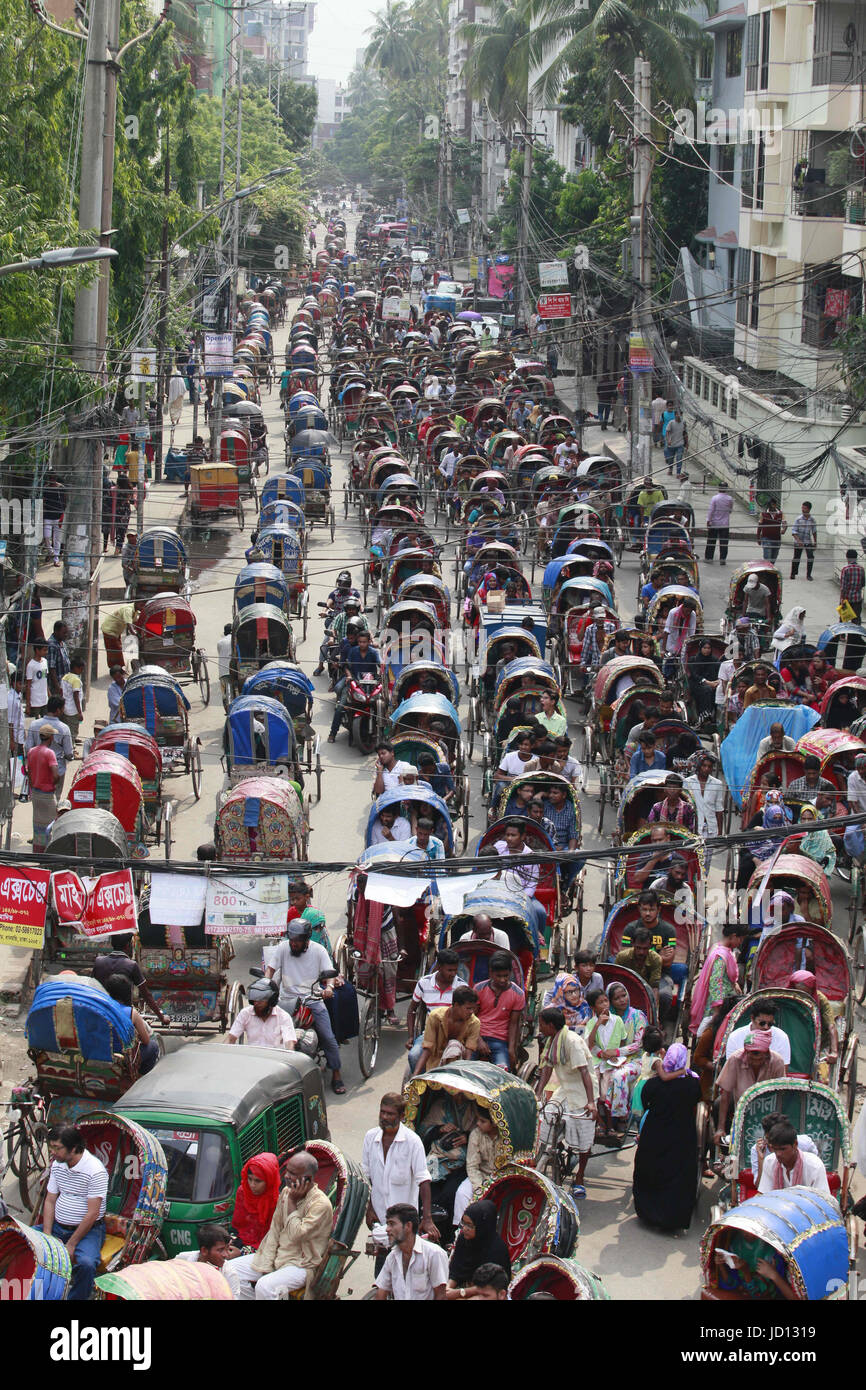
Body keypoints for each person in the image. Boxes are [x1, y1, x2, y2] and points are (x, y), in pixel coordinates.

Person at [232, 1151, 334, 1299]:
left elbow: (296, 1234)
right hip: (278, 1257)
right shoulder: (287, 1192)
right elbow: (275, 1229)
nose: (286, 1176)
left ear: (308, 1179)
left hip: (302, 1264)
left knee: (264, 1285)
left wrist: (292, 1202)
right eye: (287, 1171)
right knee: (231, 1270)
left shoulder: (320, 1204)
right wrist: (266, 1262)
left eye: (292, 1173)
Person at [265, 919, 346, 1094]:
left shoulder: (319, 951)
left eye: (297, 940)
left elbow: (329, 973)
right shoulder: (283, 948)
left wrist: (329, 988)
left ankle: (337, 1073)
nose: (293, 943)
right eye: (292, 939)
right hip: (286, 999)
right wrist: (266, 984)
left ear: (306, 939)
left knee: (328, 1036)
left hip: (312, 999)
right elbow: (270, 969)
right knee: (271, 1032)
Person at [632, 1044, 702, 1232]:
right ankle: (673, 1218)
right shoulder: (692, 1084)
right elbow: (696, 1101)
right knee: (678, 1174)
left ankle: (648, 1213)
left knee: (651, 1169)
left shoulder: (654, 1084)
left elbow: (646, 1102)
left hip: (655, 1134)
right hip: (682, 1136)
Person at [362, 1094, 438, 1267]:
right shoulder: (370, 1138)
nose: (385, 1117)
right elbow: (366, 1176)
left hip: (404, 1222)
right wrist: (369, 1208)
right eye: (382, 1113)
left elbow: (423, 1180)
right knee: (382, 1273)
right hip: (380, 1219)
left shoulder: (413, 1142)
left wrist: (426, 1218)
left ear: (402, 1116)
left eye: (390, 1114)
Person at [39, 1125, 108, 1300]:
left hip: (87, 1232)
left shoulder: (95, 1170)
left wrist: (71, 1244)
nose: (53, 1152)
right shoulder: (57, 1165)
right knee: (22, 1241)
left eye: (57, 1148)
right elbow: (50, 1200)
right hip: (57, 1227)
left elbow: (92, 1214)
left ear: (74, 1148)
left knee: (86, 1264)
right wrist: (47, 1234)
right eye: (51, 1147)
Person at [536, 1006, 598, 1196]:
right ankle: (551, 1153)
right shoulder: (551, 1041)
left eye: (541, 1025)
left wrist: (591, 1102)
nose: (539, 1028)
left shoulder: (572, 1041)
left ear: (551, 1025)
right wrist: (537, 1094)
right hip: (565, 1090)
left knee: (583, 1136)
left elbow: (585, 1072)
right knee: (546, 1118)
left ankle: (580, 1176)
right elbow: (546, 1068)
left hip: (582, 1091)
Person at [714, 1031, 787, 1143]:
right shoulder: (735, 1059)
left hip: (769, 1115)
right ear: (746, 1052)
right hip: (742, 1114)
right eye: (751, 1057)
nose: (755, 1062)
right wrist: (720, 1128)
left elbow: (781, 1095)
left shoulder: (777, 1062)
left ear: (766, 1054)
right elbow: (726, 1094)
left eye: (759, 1059)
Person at [374, 1203, 449, 1301]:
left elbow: (441, 1296)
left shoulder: (434, 1254)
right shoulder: (392, 1257)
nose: (387, 1229)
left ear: (408, 1226)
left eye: (392, 1224)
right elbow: (381, 1293)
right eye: (387, 1224)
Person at [405, 950, 461, 1071]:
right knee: (414, 1056)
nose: (453, 974)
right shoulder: (424, 983)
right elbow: (412, 1010)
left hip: (452, 1036)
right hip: (429, 1034)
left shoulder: (461, 987)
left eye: (455, 970)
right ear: (439, 967)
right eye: (449, 970)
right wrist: (411, 1036)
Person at [445, 1200, 512, 1298]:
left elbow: (489, 1287)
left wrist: (459, 1293)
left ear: (482, 1225)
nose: (465, 1229)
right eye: (464, 1223)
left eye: (470, 1225)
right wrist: (448, 1288)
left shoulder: (497, 1250)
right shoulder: (463, 1239)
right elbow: (456, 1270)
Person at [92, 937, 166, 1024]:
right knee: (148, 1034)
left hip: (100, 1010)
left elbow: (90, 986)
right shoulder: (131, 965)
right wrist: (162, 1018)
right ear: (128, 945)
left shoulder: (98, 961)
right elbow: (146, 995)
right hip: (123, 1014)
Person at [689, 922, 746, 1033]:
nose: (740, 943)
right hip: (720, 1004)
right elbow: (716, 982)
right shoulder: (721, 956)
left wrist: (735, 984)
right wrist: (717, 1009)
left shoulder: (719, 948)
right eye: (741, 939)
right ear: (734, 936)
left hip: (725, 999)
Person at [411, 986, 480, 1074]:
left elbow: (469, 1052)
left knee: (454, 1046)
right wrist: (415, 1075)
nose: (471, 1012)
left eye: (473, 1008)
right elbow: (428, 1048)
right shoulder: (435, 1016)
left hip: (457, 1063)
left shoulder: (475, 1023)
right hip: (434, 1059)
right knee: (414, 1056)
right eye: (468, 1008)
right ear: (456, 1005)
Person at [474, 951, 525, 1070]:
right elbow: (471, 1018)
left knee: (503, 1071)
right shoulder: (479, 989)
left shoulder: (518, 994)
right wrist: (479, 1040)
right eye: (499, 976)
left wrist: (512, 1049)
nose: (503, 980)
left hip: (499, 1041)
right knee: (464, 1069)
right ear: (491, 973)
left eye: (506, 976)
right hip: (476, 1037)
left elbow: (514, 1024)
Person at [102, 974, 160, 1075]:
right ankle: (141, 1079)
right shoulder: (131, 1012)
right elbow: (146, 1040)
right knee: (153, 1046)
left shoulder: (99, 1008)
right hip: (122, 1059)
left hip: (101, 1053)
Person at [756, 1121, 831, 1196]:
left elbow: (822, 1200)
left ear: (795, 1144)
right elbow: (764, 1194)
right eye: (775, 1149)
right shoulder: (770, 1161)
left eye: (783, 1149)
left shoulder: (814, 1165)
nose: (778, 1154)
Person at [230, 1153, 281, 1252]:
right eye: (250, 1179)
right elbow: (237, 1225)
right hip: (242, 1237)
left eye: (258, 1181)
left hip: (266, 1245)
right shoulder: (243, 1191)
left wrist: (243, 1252)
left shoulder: (277, 1200)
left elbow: (273, 1236)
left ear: (269, 1180)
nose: (252, 1185)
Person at [228, 976, 297, 1048]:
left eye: (261, 1000)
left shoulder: (284, 1017)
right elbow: (230, 1039)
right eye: (255, 999)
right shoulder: (245, 1013)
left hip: (274, 1058)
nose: (256, 1003)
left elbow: (289, 1044)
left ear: (271, 1001)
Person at [174, 1223, 241, 1296]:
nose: (226, 1255)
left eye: (227, 1248)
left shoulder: (229, 1274)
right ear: (204, 1251)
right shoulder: (181, 1261)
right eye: (220, 1250)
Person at [25, 699, 74, 795]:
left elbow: (28, 748)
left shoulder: (34, 724)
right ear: (58, 710)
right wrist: (71, 756)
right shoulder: (64, 728)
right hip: (57, 770)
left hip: (37, 771)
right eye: (63, 708)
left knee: (38, 799)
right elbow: (69, 752)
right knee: (55, 800)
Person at [26, 725, 61, 853]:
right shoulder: (49, 753)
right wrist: (53, 782)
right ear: (51, 737)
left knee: (37, 825)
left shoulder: (31, 751)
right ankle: (48, 854)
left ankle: (37, 852)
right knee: (51, 826)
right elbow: (56, 774)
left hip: (35, 793)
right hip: (47, 794)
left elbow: (29, 772)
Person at [725, 1001, 791, 1064]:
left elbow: (782, 1070)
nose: (766, 1027)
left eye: (770, 1024)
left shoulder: (782, 1037)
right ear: (752, 1018)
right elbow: (732, 1067)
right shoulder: (735, 1037)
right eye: (762, 1023)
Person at [42, 470, 66, 565]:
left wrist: (63, 513)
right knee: (46, 536)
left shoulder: (61, 487)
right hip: (48, 515)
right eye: (51, 478)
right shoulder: (46, 488)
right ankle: (51, 552)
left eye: (53, 478)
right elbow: (44, 501)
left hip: (58, 516)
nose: (52, 480)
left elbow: (65, 501)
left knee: (57, 539)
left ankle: (56, 559)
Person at [60, 656, 85, 743]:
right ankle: (71, 750)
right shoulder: (76, 680)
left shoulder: (65, 677)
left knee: (66, 730)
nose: (82, 671)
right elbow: (76, 697)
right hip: (73, 711)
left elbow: (61, 692)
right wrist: (79, 712)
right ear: (75, 668)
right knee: (73, 731)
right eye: (81, 669)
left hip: (65, 708)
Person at [790, 500, 816, 580]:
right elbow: (794, 531)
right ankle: (793, 573)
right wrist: (798, 540)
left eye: (804, 508)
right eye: (802, 508)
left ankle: (808, 575)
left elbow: (814, 531)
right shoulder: (798, 519)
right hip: (799, 541)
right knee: (796, 557)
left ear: (809, 509)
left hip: (808, 541)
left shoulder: (812, 520)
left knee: (811, 557)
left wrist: (815, 541)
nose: (803, 509)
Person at [756, 497, 787, 563]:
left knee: (773, 559)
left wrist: (784, 530)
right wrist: (758, 538)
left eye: (772, 504)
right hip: (766, 538)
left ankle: (770, 572)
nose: (770, 506)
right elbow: (760, 526)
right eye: (769, 505)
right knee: (767, 558)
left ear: (775, 505)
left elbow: (784, 523)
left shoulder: (780, 514)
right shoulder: (763, 514)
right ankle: (767, 572)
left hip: (777, 539)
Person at [46, 620, 71, 699]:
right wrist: (57, 686)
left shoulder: (62, 643)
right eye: (64, 633)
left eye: (67, 632)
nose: (66, 635)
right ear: (56, 631)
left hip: (65, 683)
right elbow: (51, 668)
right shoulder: (52, 645)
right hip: (57, 686)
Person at [840, 547, 865, 621]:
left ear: (847, 557)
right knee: (856, 621)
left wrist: (842, 600)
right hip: (857, 599)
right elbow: (863, 584)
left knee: (844, 621)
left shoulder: (845, 569)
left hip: (846, 600)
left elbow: (843, 587)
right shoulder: (861, 569)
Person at [26, 640, 49, 716]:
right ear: (37, 650)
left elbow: (45, 681)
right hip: (35, 702)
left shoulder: (45, 662)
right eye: (44, 650)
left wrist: (49, 696)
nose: (46, 652)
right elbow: (28, 686)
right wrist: (28, 704)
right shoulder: (31, 665)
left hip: (44, 700)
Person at [663, 411, 686, 476]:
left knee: (679, 459)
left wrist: (686, 443)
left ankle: (678, 473)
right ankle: (670, 469)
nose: (678, 416)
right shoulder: (671, 423)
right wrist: (668, 440)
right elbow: (667, 432)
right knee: (670, 459)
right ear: (675, 415)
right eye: (677, 415)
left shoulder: (683, 423)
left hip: (680, 444)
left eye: (680, 415)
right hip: (671, 445)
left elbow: (685, 433)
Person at [217, 622, 232, 707]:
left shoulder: (220, 642)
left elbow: (220, 653)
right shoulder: (236, 639)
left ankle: (226, 707)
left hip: (223, 672)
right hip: (235, 671)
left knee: (225, 693)